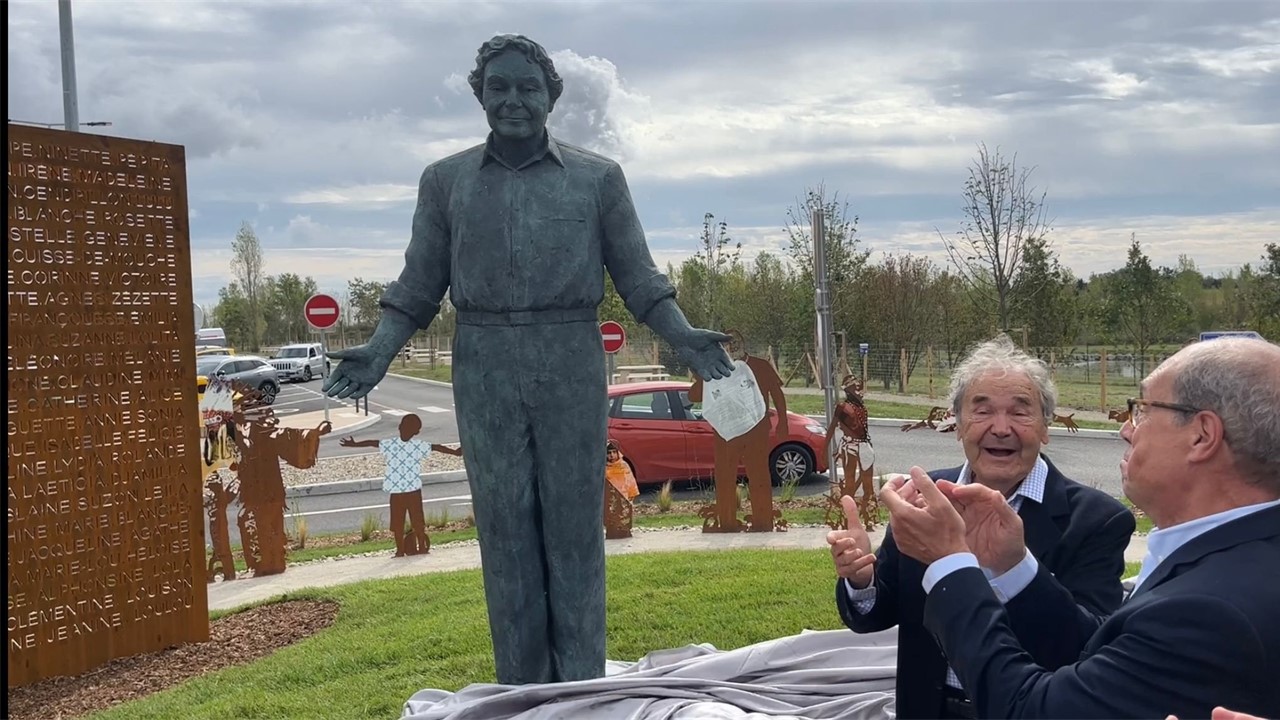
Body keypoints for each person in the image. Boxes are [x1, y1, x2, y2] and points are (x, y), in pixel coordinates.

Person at [321, 34, 732, 684]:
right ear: (480, 94)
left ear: (552, 96)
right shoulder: (445, 182)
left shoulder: (598, 180)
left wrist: (683, 335)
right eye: (499, 87)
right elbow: (418, 284)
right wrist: (376, 352)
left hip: (569, 355)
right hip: (483, 361)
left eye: (527, 87)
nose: (513, 100)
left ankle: (579, 688)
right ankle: (523, 691)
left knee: (573, 530)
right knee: (506, 532)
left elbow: (639, 277)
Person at [882, 337, 1280, 719]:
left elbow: (1032, 710)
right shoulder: (1237, 557)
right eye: (982, 410)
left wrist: (952, 564)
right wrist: (1014, 564)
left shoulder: (1202, 612)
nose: (1127, 429)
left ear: (1202, 435)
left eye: (1142, 410)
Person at [829, 335, 1134, 719]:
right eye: (982, 410)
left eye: (1021, 412)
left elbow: (1088, 647)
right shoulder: (923, 498)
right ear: (957, 424)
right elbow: (877, 613)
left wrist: (1016, 568)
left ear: (1045, 427)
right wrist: (861, 580)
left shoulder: (1096, 519)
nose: (1001, 428)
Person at [688, 331, 787, 532]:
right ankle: (727, 522)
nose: (731, 347)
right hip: (726, 434)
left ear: (743, 344)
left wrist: (783, 422)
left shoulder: (760, 366)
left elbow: (777, 394)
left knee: (759, 475)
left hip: (757, 431)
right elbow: (695, 396)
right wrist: (702, 376)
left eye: (735, 343)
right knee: (724, 476)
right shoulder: (715, 370)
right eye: (726, 344)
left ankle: (763, 521)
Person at [340, 414, 463, 556]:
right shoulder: (400, 445)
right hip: (403, 491)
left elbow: (373, 443)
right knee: (403, 523)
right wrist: (455, 453)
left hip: (408, 491)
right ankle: (403, 549)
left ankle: (414, 548)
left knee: (413, 522)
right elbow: (373, 443)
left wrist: (354, 444)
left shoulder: (408, 445)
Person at [824, 375, 876, 530]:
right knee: (850, 482)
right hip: (850, 447)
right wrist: (824, 450)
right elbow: (832, 427)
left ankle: (867, 516)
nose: (859, 388)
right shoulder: (842, 407)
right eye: (855, 386)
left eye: (858, 386)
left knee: (868, 484)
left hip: (864, 445)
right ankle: (849, 518)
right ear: (848, 390)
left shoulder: (861, 406)